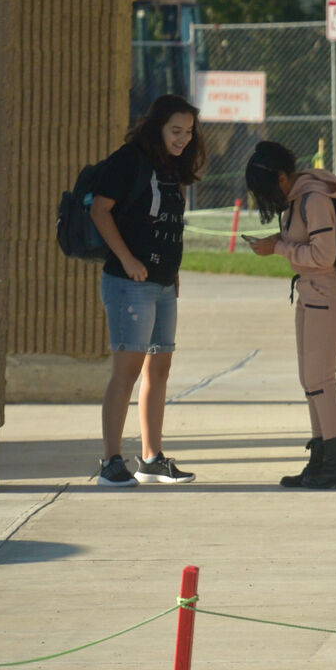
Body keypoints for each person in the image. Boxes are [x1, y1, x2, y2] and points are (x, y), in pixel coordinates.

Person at [90, 93, 206, 488]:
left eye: (188, 132)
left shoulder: (174, 167)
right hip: (129, 284)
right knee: (126, 369)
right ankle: (109, 460)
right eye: (176, 131)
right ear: (157, 127)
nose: (183, 138)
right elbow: (99, 210)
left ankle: (152, 458)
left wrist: (170, 271)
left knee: (160, 366)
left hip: (162, 283)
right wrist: (127, 260)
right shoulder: (130, 160)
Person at [243, 141, 336, 489]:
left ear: (282, 178)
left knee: (322, 379)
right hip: (311, 294)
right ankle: (321, 459)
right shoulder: (298, 201)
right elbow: (304, 242)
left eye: (266, 191)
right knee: (311, 382)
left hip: (329, 294)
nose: (267, 200)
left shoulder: (314, 199)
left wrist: (278, 247)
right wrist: (278, 239)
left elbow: (324, 254)